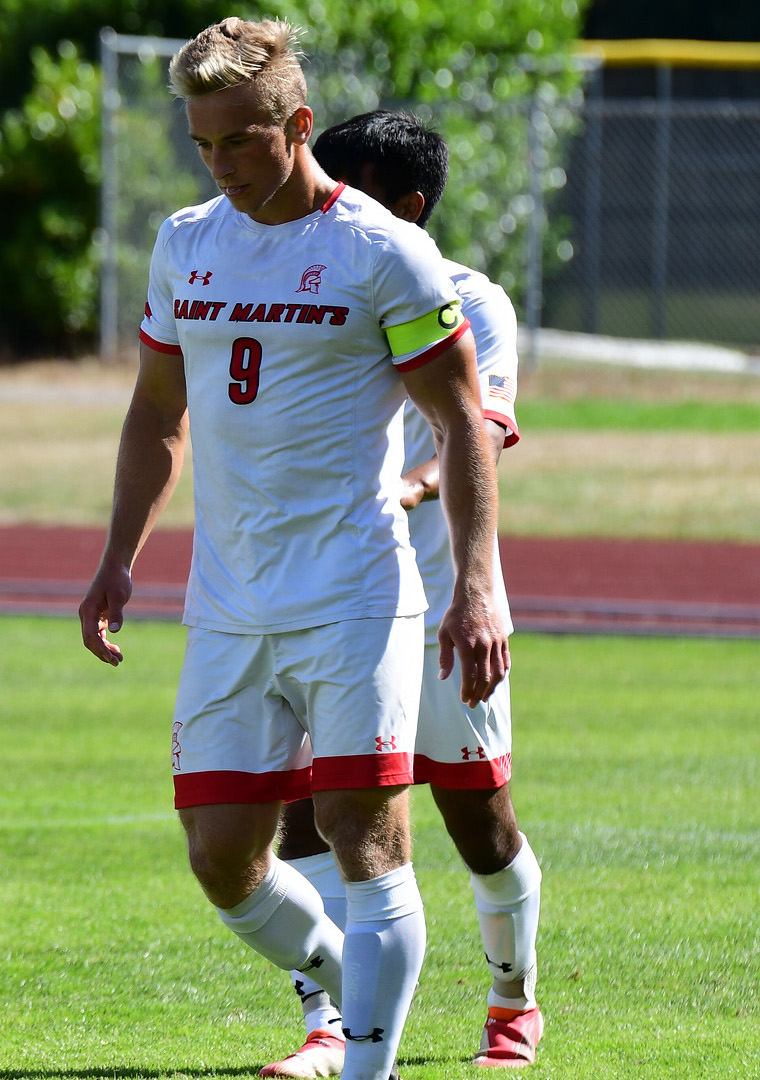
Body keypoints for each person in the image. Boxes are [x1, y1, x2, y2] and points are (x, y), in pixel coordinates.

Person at [76, 20, 509, 1080]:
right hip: (228, 603)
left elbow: (462, 424)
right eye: (202, 144)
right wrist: (118, 555)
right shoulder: (187, 242)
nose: (219, 165)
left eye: (239, 141)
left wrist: (478, 586)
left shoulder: (381, 252)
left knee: (366, 841)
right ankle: (343, 992)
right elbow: (156, 414)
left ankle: (366, 1063)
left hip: (355, 592)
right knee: (223, 860)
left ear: (297, 124)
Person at [257, 110, 542, 1079]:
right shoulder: (295, 285)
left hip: (439, 598)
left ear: (408, 208)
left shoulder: (473, 302)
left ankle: (511, 1005)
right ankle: (330, 1023)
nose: (321, 207)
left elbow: (472, 434)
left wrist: (407, 494)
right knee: (304, 816)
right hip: (329, 601)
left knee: (480, 825)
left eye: (347, 188)